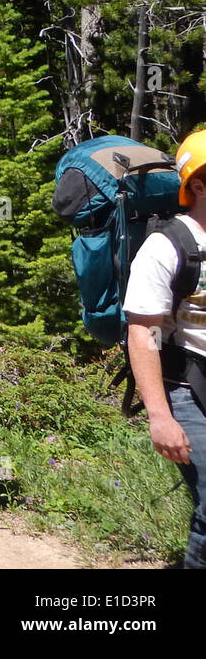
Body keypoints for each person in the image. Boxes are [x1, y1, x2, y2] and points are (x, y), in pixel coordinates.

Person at [123, 129, 206, 569]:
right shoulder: (166, 247)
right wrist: (160, 416)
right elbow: (143, 334)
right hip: (186, 386)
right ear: (197, 185)